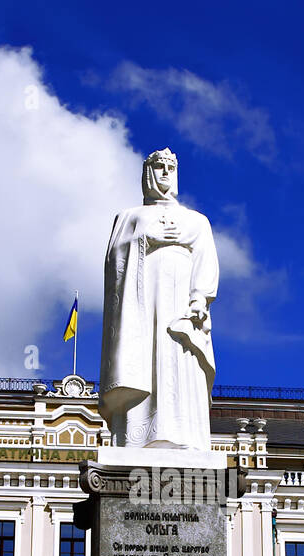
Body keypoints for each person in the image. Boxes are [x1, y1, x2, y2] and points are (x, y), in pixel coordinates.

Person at [99, 149, 219, 452]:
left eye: (170, 167)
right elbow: (115, 260)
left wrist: (199, 300)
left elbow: (206, 261)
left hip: (180, 308)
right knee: (146, 358)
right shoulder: (130, 217)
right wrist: (146, 238)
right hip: (142, 306)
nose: (165, 173)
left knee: (179, 357)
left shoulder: (196, 221)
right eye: (158, 167)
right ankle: (137, 436)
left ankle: (184, 437)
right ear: (148, 173)